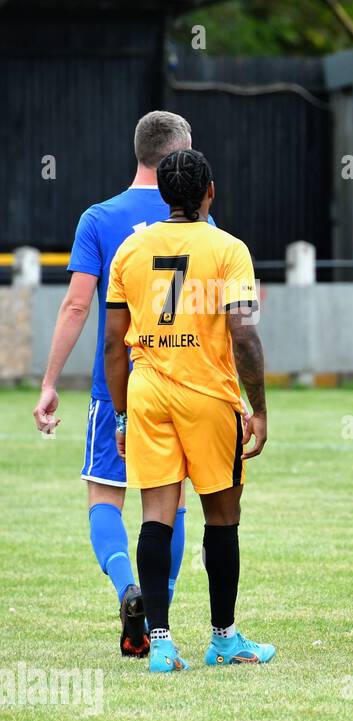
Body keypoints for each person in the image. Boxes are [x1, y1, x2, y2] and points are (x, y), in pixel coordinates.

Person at [32, 110, 196, 658]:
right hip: (182, 383)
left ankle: (128, 586)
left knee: (105, 494)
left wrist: (50, 380)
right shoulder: (201, 220)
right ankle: (158, 612)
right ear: (180, 155)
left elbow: (79, 303)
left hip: (119, 385)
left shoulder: (99, 218)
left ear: (138, 152)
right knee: (168, 505)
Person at [103, 148, 273, 673]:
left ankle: (160, 643)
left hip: (149, 391)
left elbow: (112, 345)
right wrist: (259, 406)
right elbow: (243, 334)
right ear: (210, 193)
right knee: (222, 516)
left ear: (162, 195)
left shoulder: (130, 251)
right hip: (207, 394)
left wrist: (122, 416)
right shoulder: (229, 249)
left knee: (156, 515)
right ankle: (224, 639)